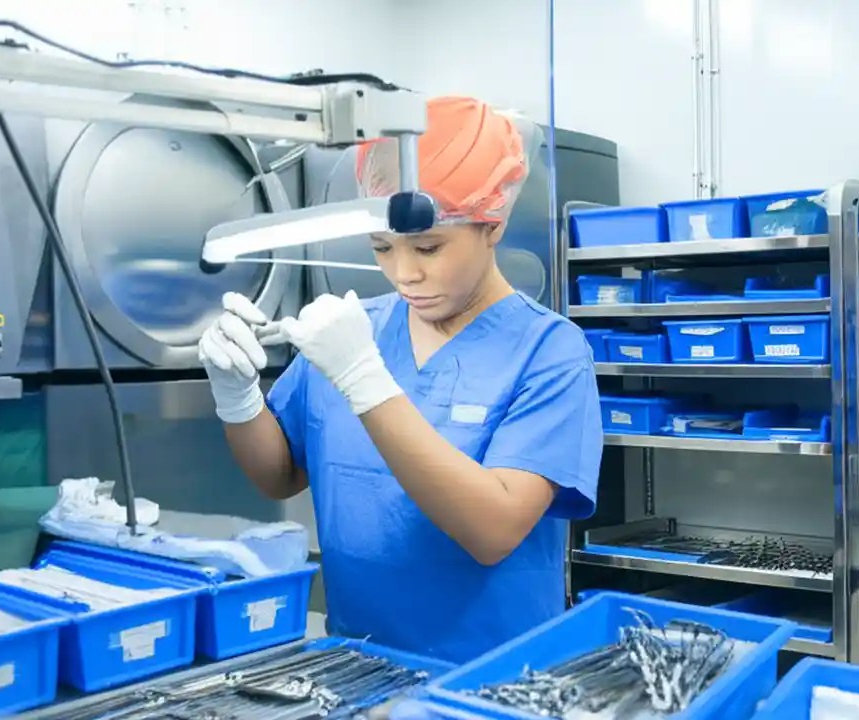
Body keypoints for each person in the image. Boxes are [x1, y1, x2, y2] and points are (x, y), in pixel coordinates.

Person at [198, 95, 603, 663]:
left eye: (429, 247)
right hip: (355, 663)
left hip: (492, 676)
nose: (404, 272)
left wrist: (365, 382)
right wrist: (237, 397)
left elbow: (493, 530)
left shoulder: (549, 352)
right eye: (382, 248)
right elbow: (280, 475)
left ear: (494, 223)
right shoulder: (355, 329)